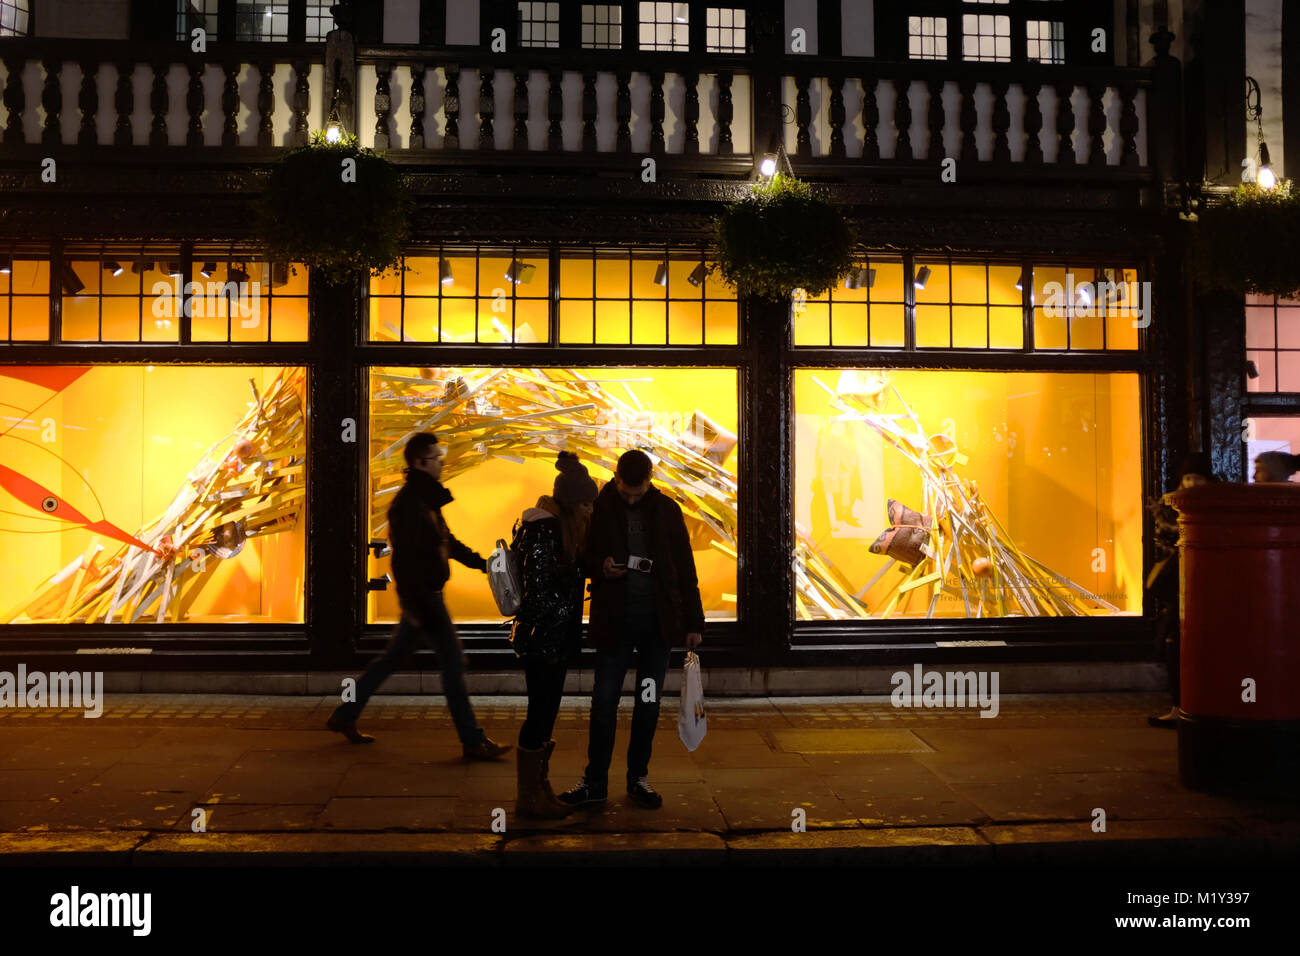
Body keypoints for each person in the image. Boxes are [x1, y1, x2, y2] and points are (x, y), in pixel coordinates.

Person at [326, 432, 510, 761]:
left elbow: (447, 542)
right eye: (437, 458)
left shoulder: (426, 500)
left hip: (423, 598)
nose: (442, 463)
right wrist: (415, 604)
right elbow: (405, 561)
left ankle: (345, 715)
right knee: (452, 665)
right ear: (420, 462)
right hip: (425, 598)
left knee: (392, 660)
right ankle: (472, 741)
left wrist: (483, 564)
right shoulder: (409, 505)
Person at [559, 449, 704, 811]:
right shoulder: (602, 505)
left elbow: (685, 567)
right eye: (626, 491)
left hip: (656, 627)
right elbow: (583, 555)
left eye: (638, 494)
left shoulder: (667, 510)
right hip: (614, 622)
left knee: (648, 702)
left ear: (649, 481)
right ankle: (595, 781)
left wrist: (693, 623)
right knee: (604, 702)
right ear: (617, 478)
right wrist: (600, 565)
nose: (632, 498)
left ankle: (638, 777)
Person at [510, 451, 599, 819]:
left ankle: (538, 789)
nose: (589, 511)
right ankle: (529, 798)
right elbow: (541, 592)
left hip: (553, 640)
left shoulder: (556, 529)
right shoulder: (543, 531)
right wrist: (576, 575)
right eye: (586, 504)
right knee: (539, 713)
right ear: (572, 502)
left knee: (545, 714)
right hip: (543, 641)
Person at [1145, 452, 1214, 729]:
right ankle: (1179, 705)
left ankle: (1197, 705)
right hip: (1177, 590)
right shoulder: (1171, 504)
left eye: (1198, 478)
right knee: (1174, 646)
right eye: (1188, 478)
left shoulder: (1214, 506)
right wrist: (1161, 515)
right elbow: (1166, 543)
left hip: (1205, 589)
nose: (1192, 484)